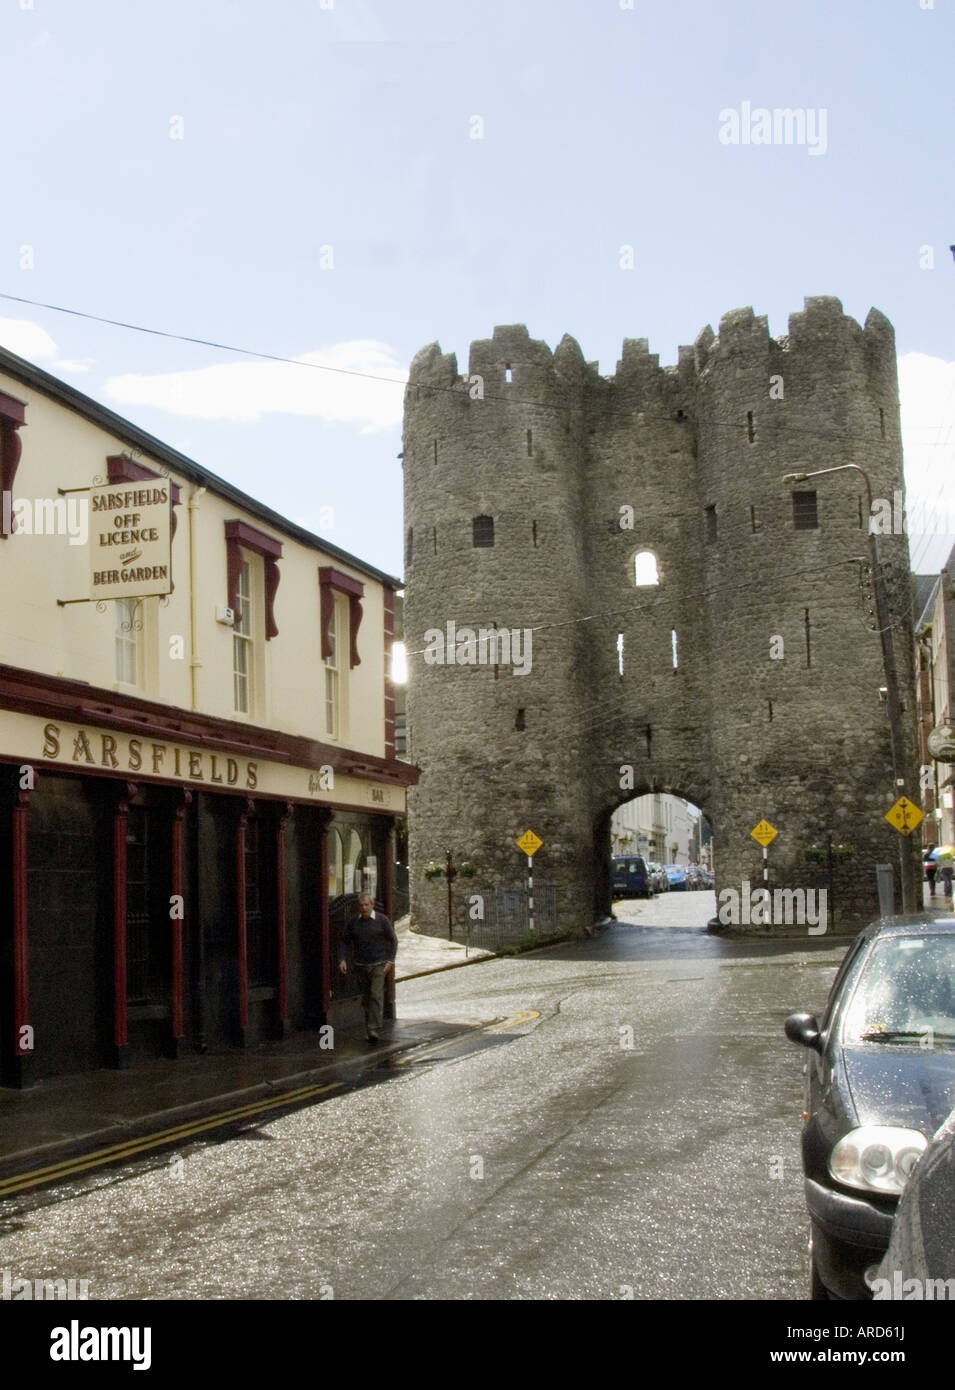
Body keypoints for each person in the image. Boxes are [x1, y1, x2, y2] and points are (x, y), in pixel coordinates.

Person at [338, 893, 397, 1043]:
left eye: (366, 905)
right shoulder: (353, 923)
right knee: (366, 998)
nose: (364, 908)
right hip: (361, 965)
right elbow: (344, 941)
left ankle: (373, 1029)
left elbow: (393, 940)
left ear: (372, 905)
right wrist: (342, 959)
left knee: (376, 995)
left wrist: (390, 961)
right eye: (361, 905)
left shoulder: (382, 920)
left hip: (378, 965)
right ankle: (369, 1027)